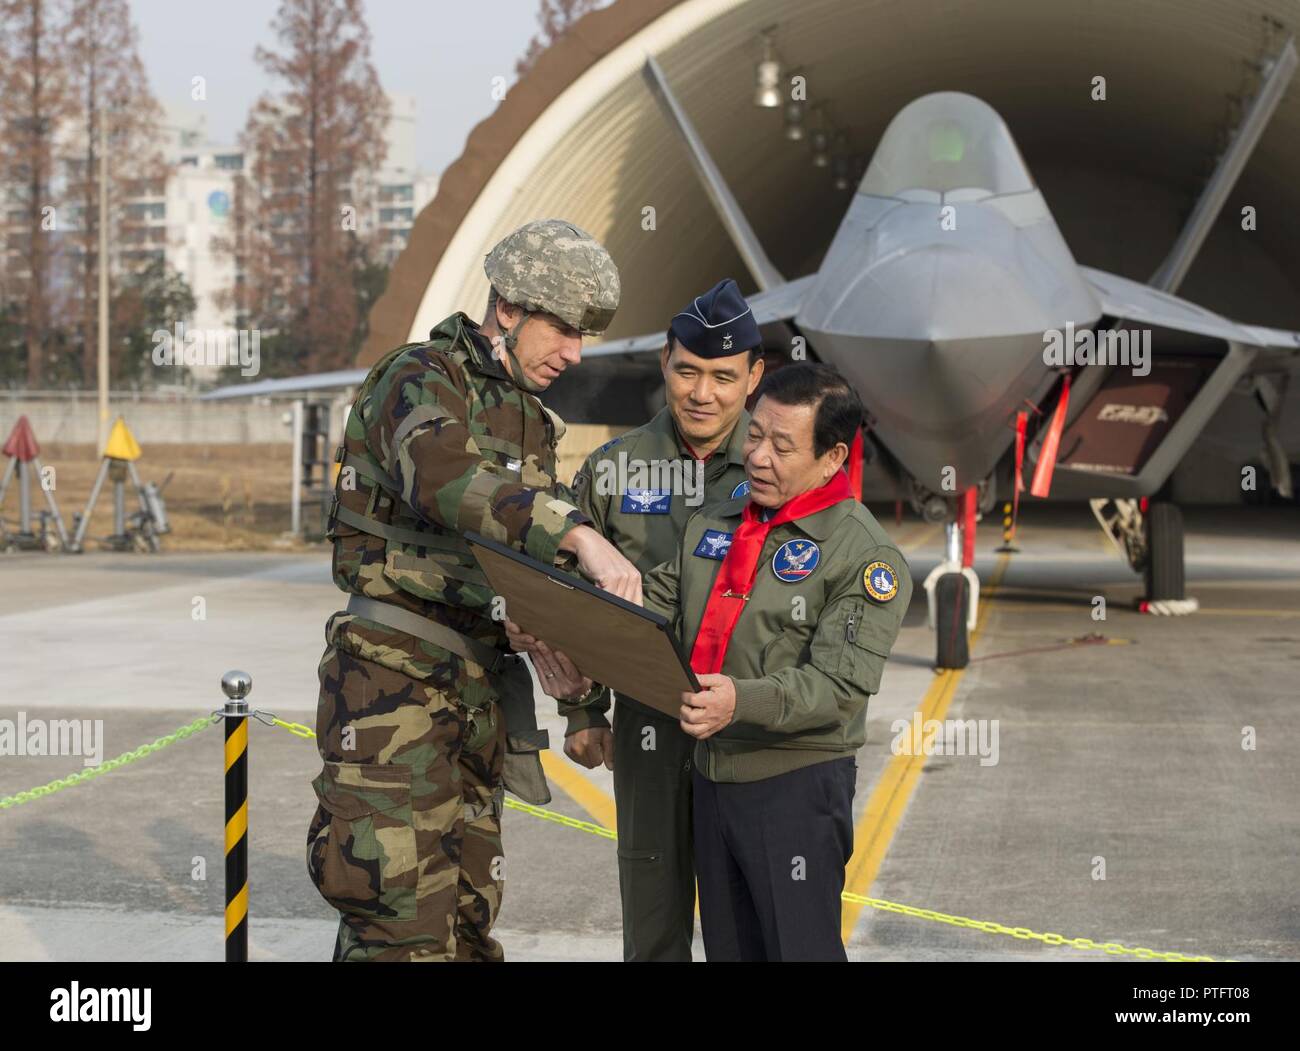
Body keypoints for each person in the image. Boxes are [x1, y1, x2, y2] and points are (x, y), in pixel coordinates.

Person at [306, 218, 639, 962]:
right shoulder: (419, 377)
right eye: (564, 329)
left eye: (584, 336)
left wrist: (583, 704)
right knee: (399, 926)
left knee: (465, 921)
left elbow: (534, 575)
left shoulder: (527, 419)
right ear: (509, 308)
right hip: (393, 687)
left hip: (478, 696)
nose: (575, 353)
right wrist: (579, 533)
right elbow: (445, 480)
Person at [641, 362, 912, 961]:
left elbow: (838, 687)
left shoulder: (864, 556)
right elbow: (655, 604)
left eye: (782, 446)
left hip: (794, 789)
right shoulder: (717, 521)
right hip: (712, 781)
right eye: (755, 435)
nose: (758, 457)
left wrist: (740, 701)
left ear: (833, 458)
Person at [539, 277, 765, 961]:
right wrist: (582, 711)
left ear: (754, 377)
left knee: (750, 921)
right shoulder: (613, 471)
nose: (703, 393)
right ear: (665, 362)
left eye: (723, 377)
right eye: (688, 371)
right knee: (653, 917)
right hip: (649, 728)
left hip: (748, 724)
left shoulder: (777, 468)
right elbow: (570, 598)